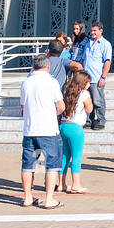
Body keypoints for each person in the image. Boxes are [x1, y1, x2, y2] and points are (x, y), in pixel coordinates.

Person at [20, 54, 65, 209]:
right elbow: (60, 106)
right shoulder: (52, 82)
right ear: (47, 67)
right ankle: (49, 199)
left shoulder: (26, 83)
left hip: (30, 129)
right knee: (51, 163)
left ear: (33, 66)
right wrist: (55, 113)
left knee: (28, 164)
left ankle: (27, 197)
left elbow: (22, 107)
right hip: (48, 130)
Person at [58, 69, 91, 194]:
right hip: (76, 128)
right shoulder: (85, 94)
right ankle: (76, 184)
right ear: (83, 82)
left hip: (63, 125)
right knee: (76, 157)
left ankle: (61, 184)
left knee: (64, 156)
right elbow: (89, 109)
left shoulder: (66, 91)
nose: (89, 84)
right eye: (88, 82)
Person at [80, 21, 112, 130]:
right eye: (92, 30)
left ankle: (100, 120)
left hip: (97, 77)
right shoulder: (88, 43)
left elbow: (107, 62)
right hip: (87, 78)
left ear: (101, 31)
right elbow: (84, 60)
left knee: (98, 100)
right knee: (87, 99)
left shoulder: (105, 44)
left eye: (95, 30)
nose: (92, 32)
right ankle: (89, 120)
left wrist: (103, 77)